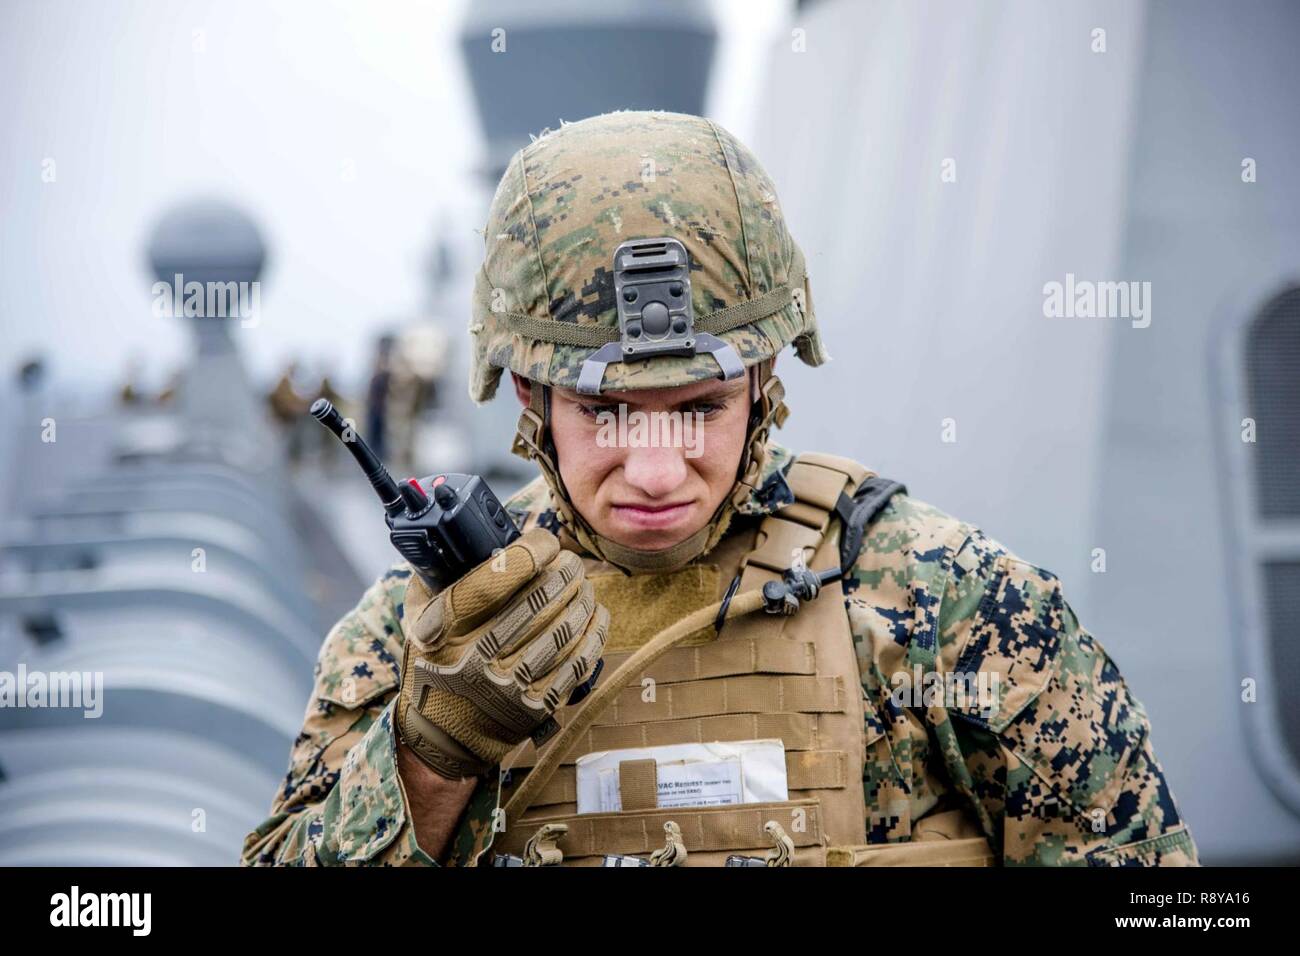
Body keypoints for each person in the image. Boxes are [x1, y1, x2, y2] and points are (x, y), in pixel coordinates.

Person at [241, 111, 1197, 867]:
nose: (657, 472)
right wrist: (433, 752)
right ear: (529, 397)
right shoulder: (416, 643)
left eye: (697, 409)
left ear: (764, 382)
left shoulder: (951, 606)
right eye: (607, 413)